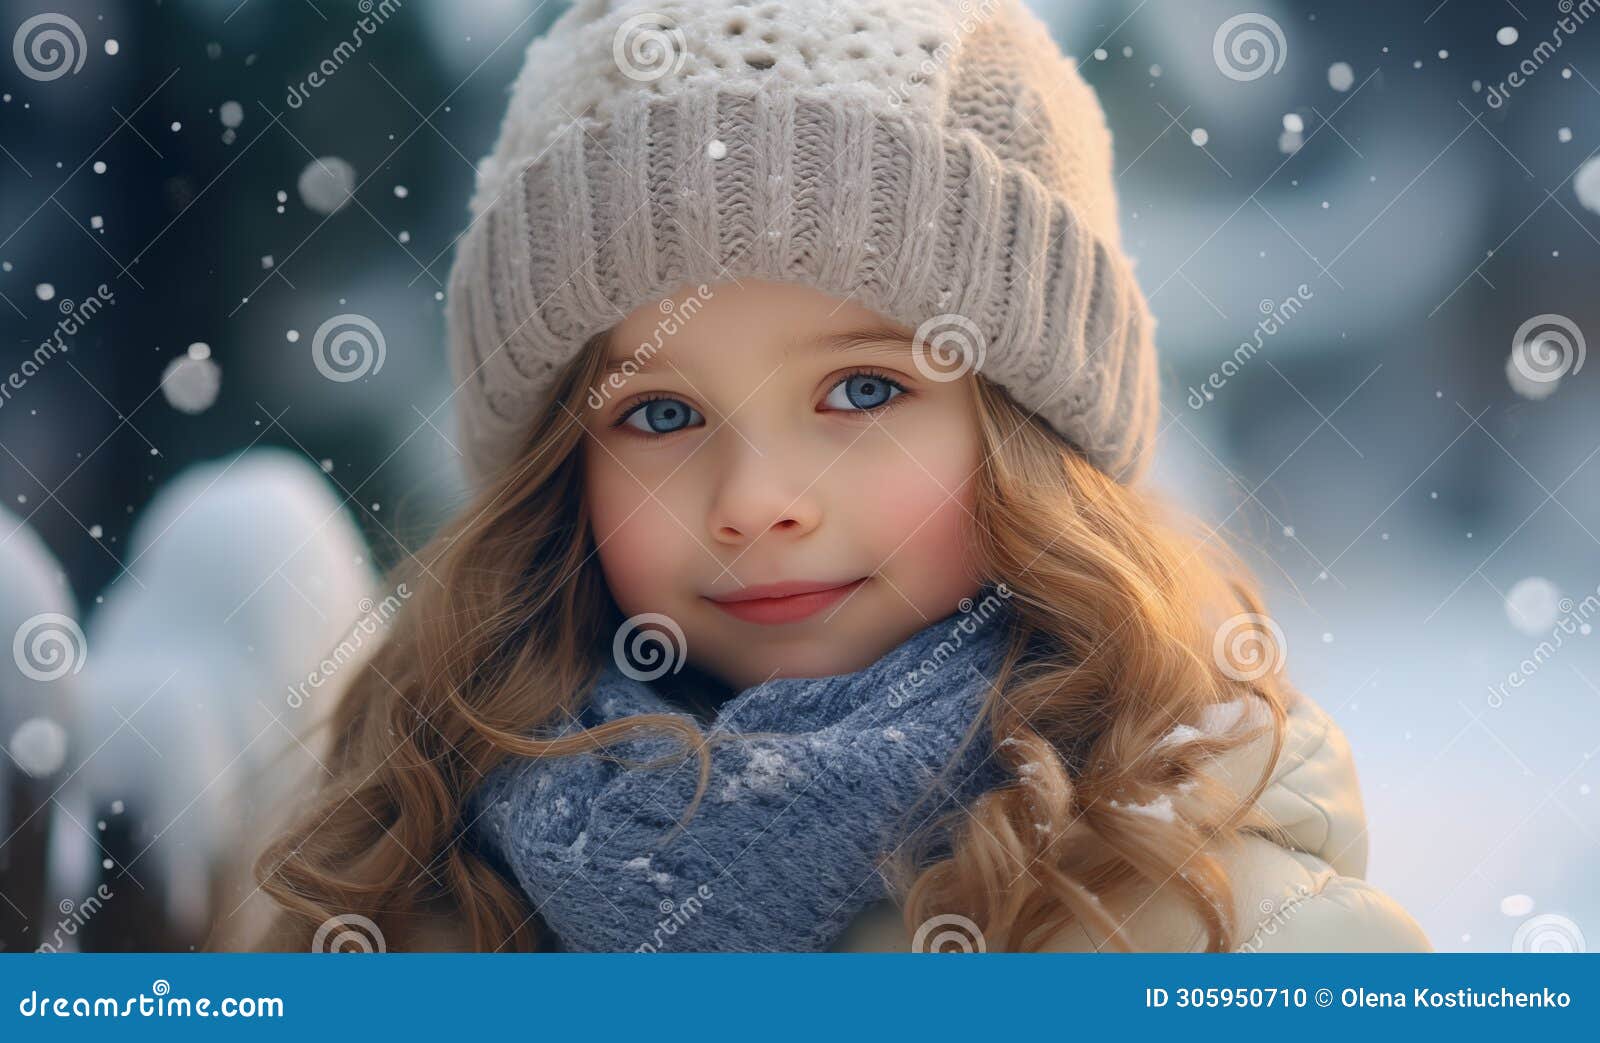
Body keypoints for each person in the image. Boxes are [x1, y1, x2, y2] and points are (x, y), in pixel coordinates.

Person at [252, 0, 1430, 953]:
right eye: (660, 412)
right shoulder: (412, 908)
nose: (756, 497)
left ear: (1026, 431)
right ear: (555, 476)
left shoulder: (1236, 939)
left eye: (864, 390)